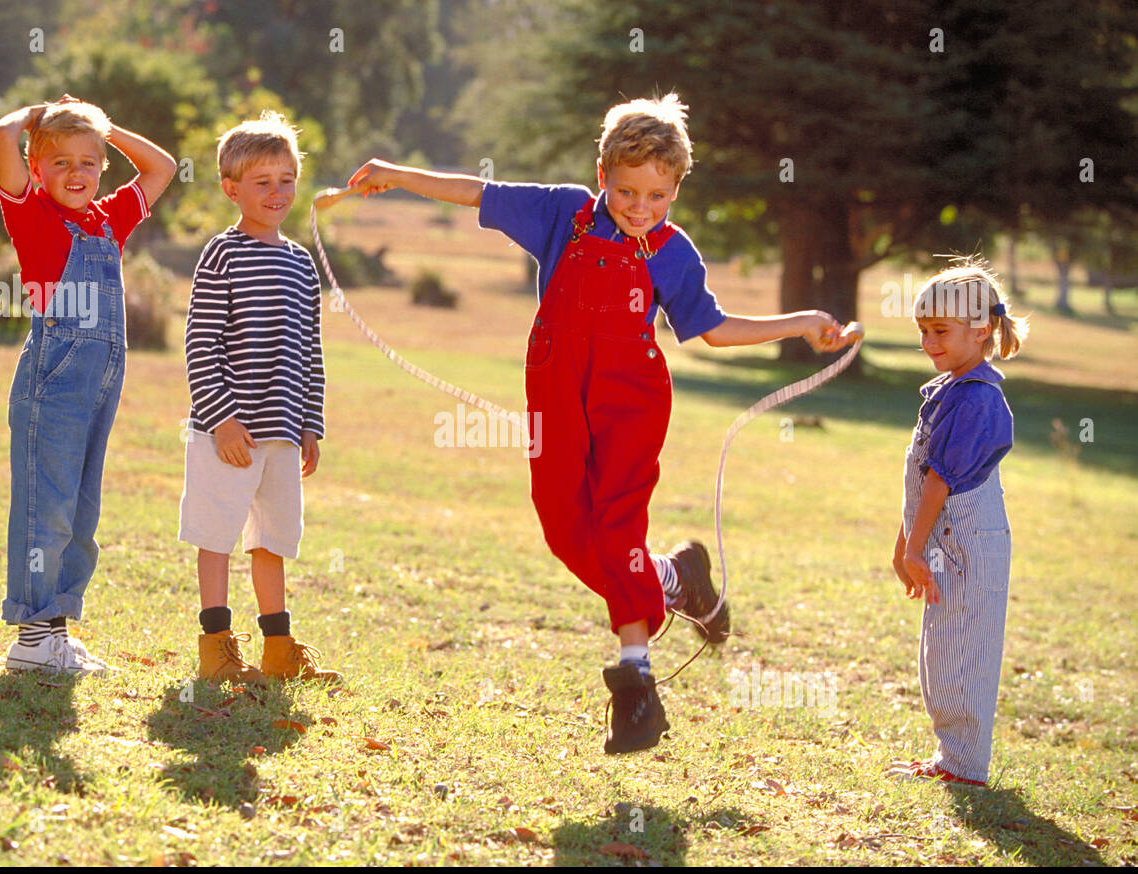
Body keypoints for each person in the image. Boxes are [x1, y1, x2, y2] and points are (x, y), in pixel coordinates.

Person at [347, 93, 853, 753]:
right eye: (626, 191)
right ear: (601, 175)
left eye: (657, 196)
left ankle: (636, 685)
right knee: (564, 529)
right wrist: (399, 174)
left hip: (631, 402)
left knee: (617, 529)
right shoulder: (564, 215)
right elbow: (479, 191)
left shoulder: (674, 254)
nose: (640, 207)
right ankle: (674, 580)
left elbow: (715, 329)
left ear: (675, 189)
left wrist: (802, 323)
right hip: (556, 393)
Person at [0, 95, 176, 673]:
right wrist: (41, 114)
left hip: (100, 383)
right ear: (37, 168)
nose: (77, 174)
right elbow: (1, 136)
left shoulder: (107, 218)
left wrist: (106, 127)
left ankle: (55, 633)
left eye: (89, 162)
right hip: (53, 377)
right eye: (61, 163)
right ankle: (30, 638)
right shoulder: (32, 213)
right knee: (45, 507)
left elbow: (162, 167)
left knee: (79, 511)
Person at [179, 111, 338, 686]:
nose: (278, 192)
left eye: (287, 179)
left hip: (280, 431)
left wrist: (310, 425)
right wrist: (221, 419)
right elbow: (200, 341)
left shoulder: (300, 264)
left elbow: (311, 353)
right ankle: (217, 647)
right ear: (231, 188)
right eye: (262, 182)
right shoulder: (221, 254)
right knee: (215, 535)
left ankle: (278, 649)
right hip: (227, 431)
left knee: (272, 540)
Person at [888, 260, 1027, 786]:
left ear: (982, 329)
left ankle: (966, 765)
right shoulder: (948, 390)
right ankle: (952, 756)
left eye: (940, 331)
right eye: (922, 331)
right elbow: (923, 480)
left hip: (966, 541)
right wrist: (904, 543)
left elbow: (941, 481)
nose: (929, 341)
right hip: (942, 538)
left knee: (964, 646)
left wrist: (915, 547)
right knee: (942, 644)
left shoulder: (975, 398)